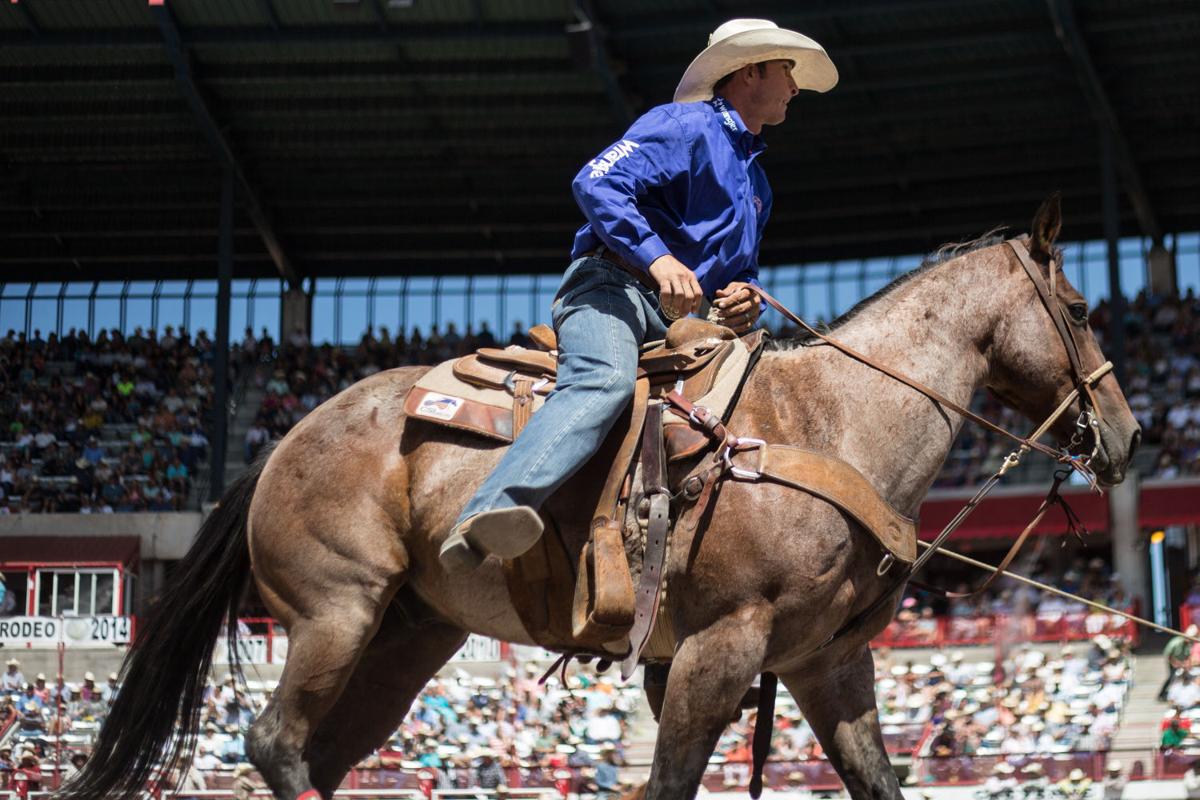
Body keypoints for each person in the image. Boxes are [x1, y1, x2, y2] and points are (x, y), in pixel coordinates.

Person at [439, 18, 838, 570]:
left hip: (681, 321)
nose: (796, 88)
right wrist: (660, 257)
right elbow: (596, 181)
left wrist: (745, 295)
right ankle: (490, 510)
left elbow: (736, 273)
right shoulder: (684, 125)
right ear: (752, 72)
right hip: (610, 289)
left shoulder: (759, 186)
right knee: (603, 381)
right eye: (788, 72)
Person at [1161, 626, 1195, 701]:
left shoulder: (1188, 644)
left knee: (1185, 676)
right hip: (1173, 661)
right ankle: (1162, 694)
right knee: (1171, 677)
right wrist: (1174, 663)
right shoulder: (1176, 642)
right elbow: (1168, 654)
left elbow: (1187, 655)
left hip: (1181, 663)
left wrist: (1187, 664)